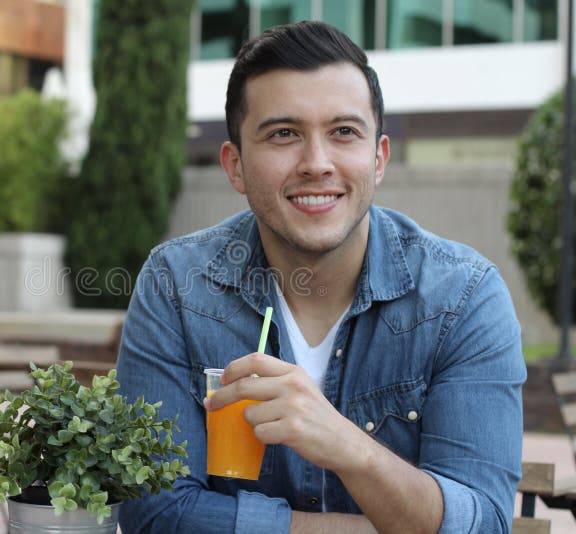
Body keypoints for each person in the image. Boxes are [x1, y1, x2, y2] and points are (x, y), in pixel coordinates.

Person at [116, 20, 525, 534]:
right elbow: (154, 513)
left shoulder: (464, 298)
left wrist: (349, 446)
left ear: (378, 159)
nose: (316, 162)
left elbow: (484, 522)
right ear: (235, 165)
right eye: (284, 134)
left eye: (344, 132)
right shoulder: (175, 285)